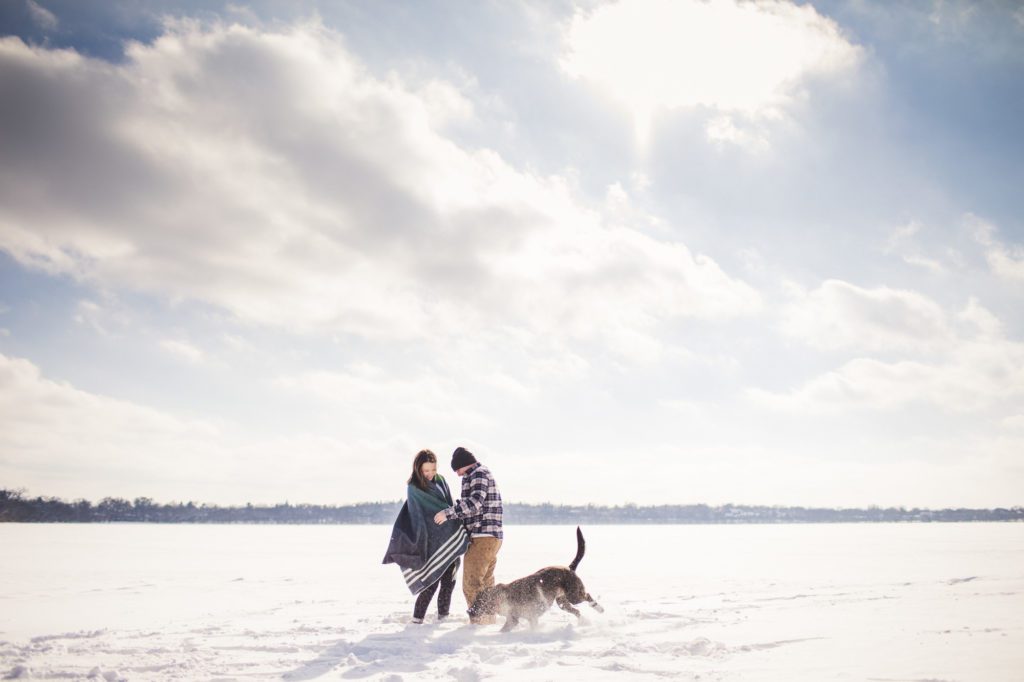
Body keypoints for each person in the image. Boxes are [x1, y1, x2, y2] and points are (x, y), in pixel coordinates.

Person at [383, 449, 470, 624]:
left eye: (433, 470)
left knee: (449, 581)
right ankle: (417, 619)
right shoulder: (414, 487)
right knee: (431, 582)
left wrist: (453, 522)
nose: (430, 474)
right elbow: (418, 515)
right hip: (428, 539)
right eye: (426, 471)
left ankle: (443, 617)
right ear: (418, 470)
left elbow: (447, 505)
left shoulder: (441, 481)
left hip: (448, 535)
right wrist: (422, 540)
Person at [433, 446, 503, 624]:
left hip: (483, 536)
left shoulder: (478, 473)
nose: (457, 474)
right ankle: (488, 621)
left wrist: (448, 513)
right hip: (489, 537)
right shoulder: (475, 474)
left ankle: (478, 622)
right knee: (486, 584)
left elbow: (475, 503)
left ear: (464, 464)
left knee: (471, 583)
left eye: (457, 469)